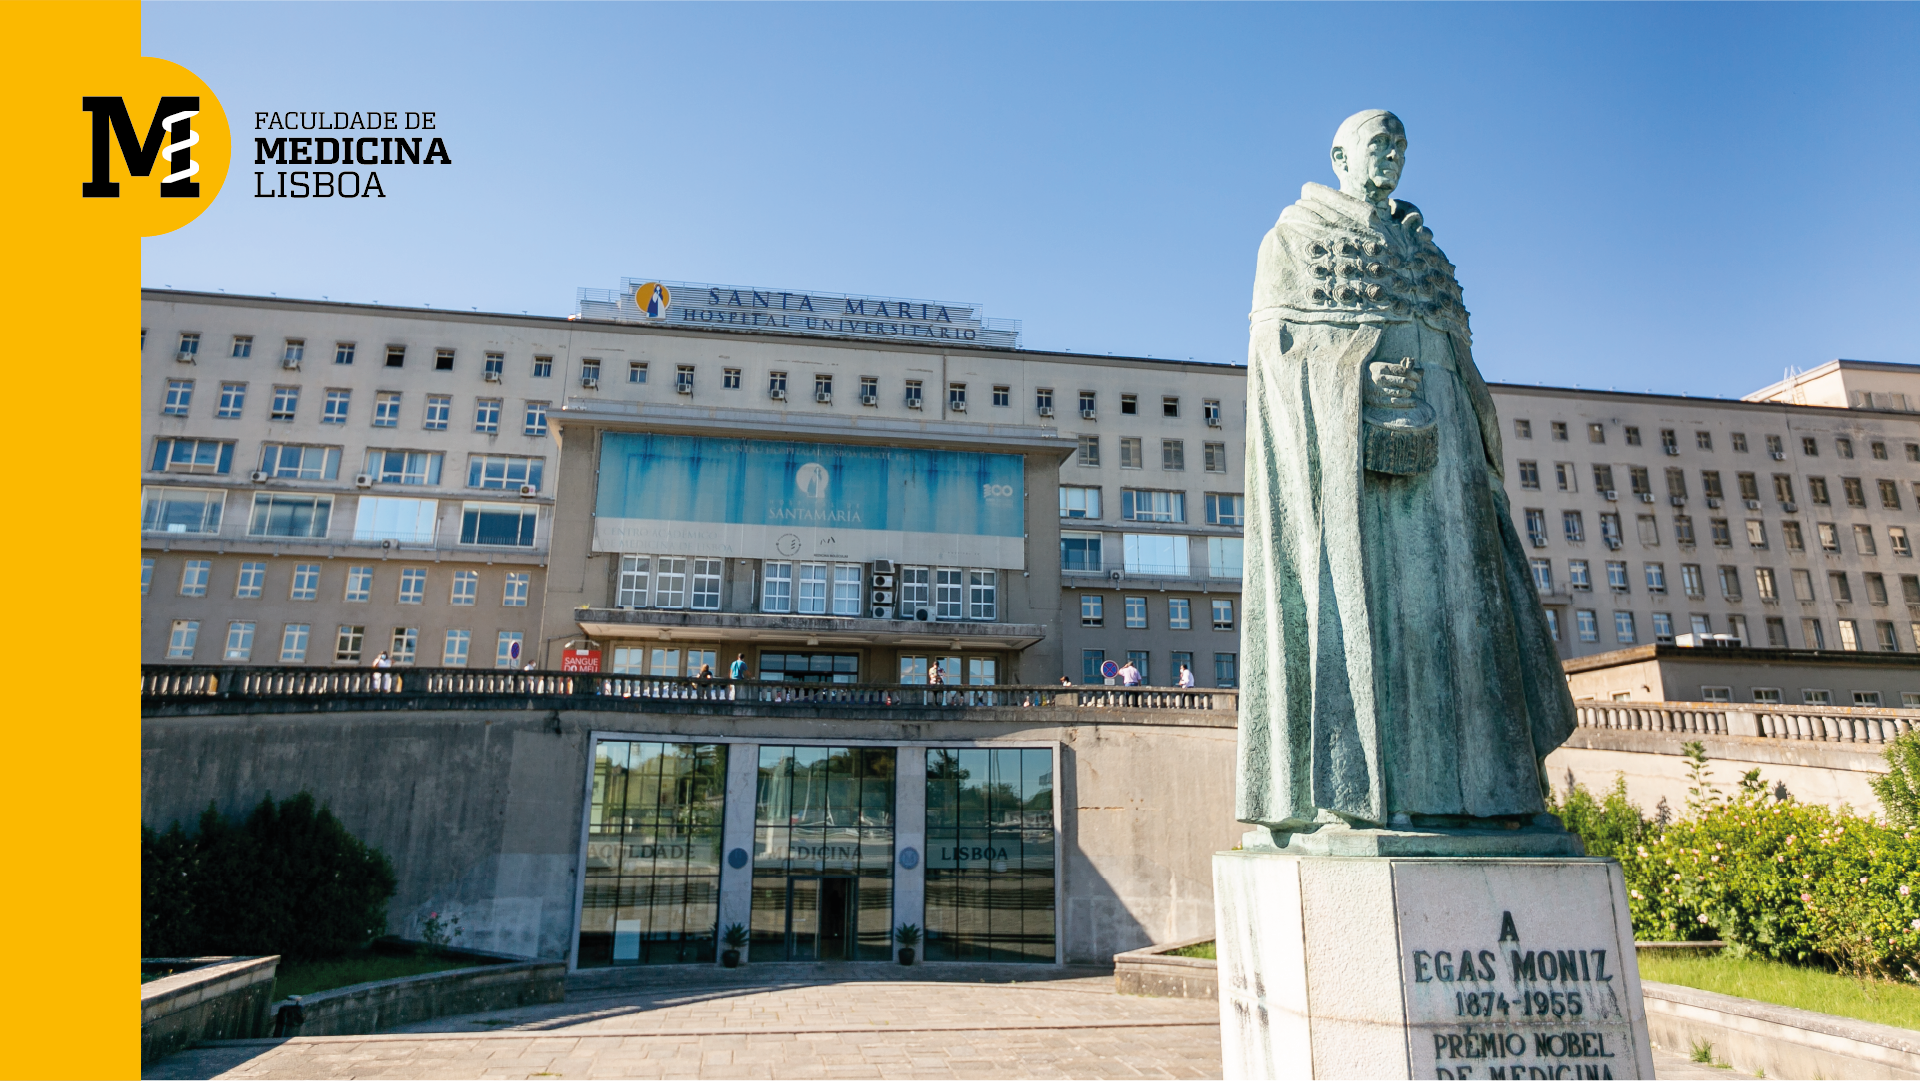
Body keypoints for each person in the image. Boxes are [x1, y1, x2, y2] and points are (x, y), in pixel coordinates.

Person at [1238, 109, 1575, 832]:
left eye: (1399, 145)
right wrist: (1354, 384)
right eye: (1375, 144)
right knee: (1374, 621)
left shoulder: (1426, 248)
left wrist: (1481, 453)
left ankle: (1490, 798)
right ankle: (1362, 801)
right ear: (1339, 155)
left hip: (1449, 460)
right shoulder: (1295, 239)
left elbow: (1463, 361)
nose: (1389, 156)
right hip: (1357, 476)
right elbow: (1274, 357)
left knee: (1468, 618)